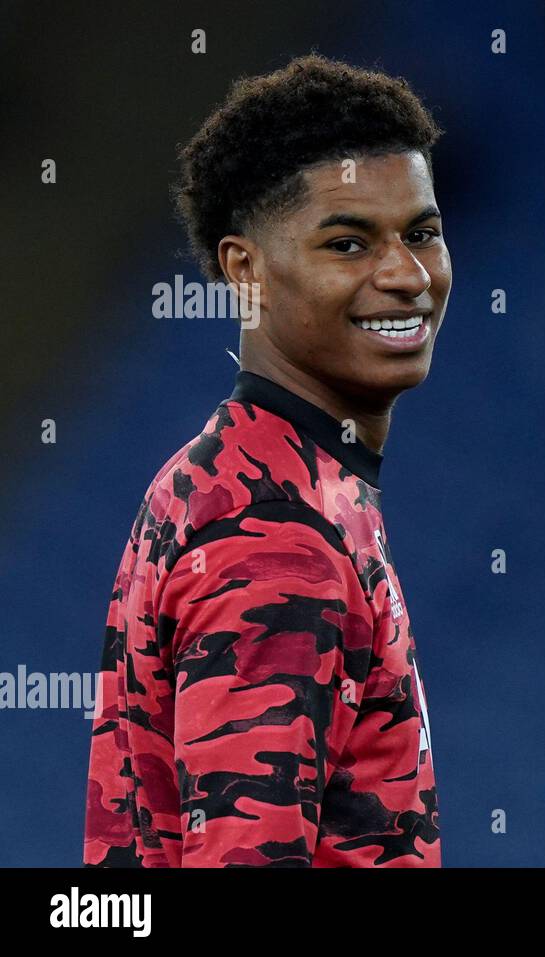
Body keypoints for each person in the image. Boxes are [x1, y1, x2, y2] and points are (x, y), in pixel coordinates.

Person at [83, 54, 450, 866]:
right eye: (349, 243)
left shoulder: (234, 473)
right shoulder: (276, 531)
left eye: (421, 232)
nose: (407, 274)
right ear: (246, 270)